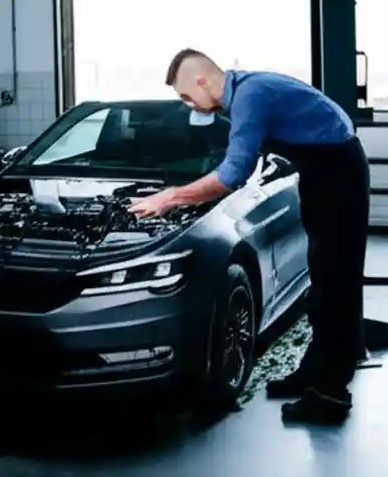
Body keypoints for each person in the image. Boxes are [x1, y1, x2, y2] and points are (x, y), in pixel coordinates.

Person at [128, 48, 370, 424]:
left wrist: (170, 197)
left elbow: (232, 174)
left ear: (203, 81)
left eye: (186, 96)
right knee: (323, 277)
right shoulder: (249, 89)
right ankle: (315, 372)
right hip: (325, 171)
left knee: (335, 283)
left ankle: (330, 395)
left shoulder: (249, 98)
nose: (189, 105)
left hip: (338, 174)